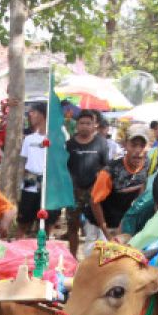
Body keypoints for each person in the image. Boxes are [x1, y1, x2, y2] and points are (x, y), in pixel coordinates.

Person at [90, 124, 151, 240]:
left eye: (142, 146)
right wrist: (106, 232)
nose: (138, 151)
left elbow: (142, 189)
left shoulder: (148, 164)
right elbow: (94, 202)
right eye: (133, 145)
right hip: (102, 221)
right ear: (125, 145)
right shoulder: (110, 171)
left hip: (123, 221)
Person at [65, 109, 109, 256]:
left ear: (94, 125)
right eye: (82, 123)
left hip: (94, 192)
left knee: (96, 225)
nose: (85, 126)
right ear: (77, 125)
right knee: (72, 226)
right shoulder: (69, 144)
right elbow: (63, 166)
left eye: (88, 123)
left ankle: (95, 259)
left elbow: (106, 167)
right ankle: (72, 257)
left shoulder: (102, 143)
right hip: (73, 191)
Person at [16, 102, 61, 239]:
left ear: (42, 114)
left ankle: (45, 252)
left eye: (33, 111)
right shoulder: (29, 139)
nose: (30, 115)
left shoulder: (58, 136)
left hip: (50, 184)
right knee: (24, 220)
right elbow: (23, 162)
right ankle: (20, 250)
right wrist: (20, 184)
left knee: (49, 221)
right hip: (30, 182)